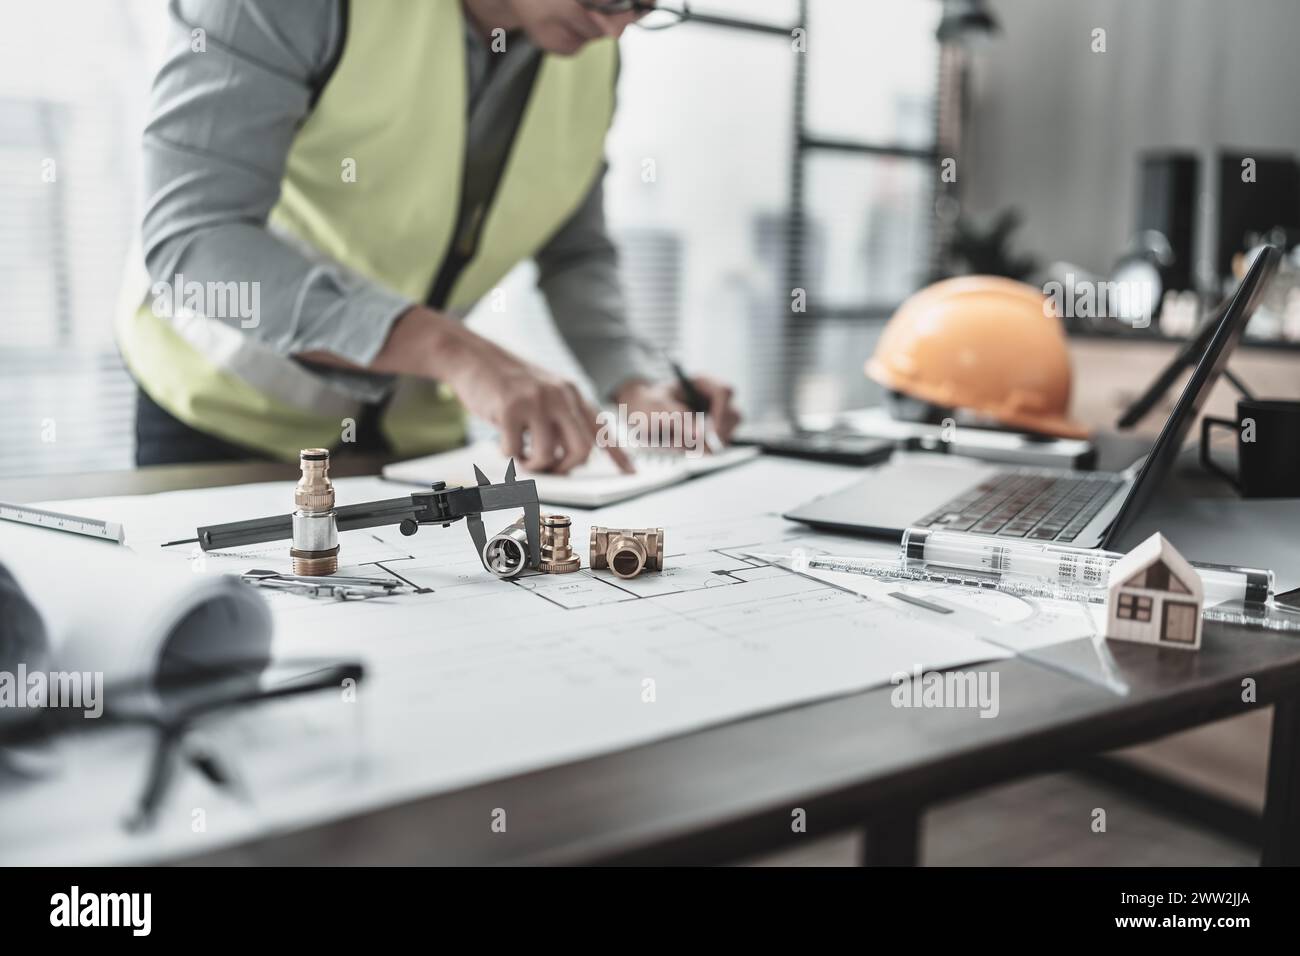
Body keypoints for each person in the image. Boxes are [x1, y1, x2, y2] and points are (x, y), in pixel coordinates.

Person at [120, 0, 741, 471]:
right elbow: (195, 241)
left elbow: (574, 250)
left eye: (647, 4)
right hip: (221, 427)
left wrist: (633, 383)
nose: (617, 26)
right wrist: (455, 352)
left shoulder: (591, 50)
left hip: (414, 448)